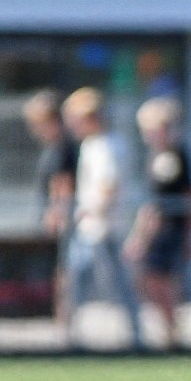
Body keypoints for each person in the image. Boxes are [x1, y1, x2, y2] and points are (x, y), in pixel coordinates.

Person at [61, 87, 143, 350]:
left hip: (104, 229)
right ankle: (72, 338)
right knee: (75, 283)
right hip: (90, 229)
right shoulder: (92, 145)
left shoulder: (108, 146)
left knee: (115, 287)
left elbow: (109, 186)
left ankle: (135, 339)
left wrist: (91, 210)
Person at [127, 95, 191, 348]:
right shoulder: (154, 157)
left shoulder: (179, 156)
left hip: (170, 230)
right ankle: (167, 331)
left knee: (162, 281)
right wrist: (138, 235)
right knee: (147, 281)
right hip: (154, 230)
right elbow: (150, 203)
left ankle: (172, 336)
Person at [24, 90, 77, 327]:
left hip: (67, 224)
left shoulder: (63, 148)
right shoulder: (53, 147)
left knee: (66, 277)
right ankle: (63, 327)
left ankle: (66, 329)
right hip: (59, 222)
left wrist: (56, 214)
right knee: (60, 277)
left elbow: (62, 184)